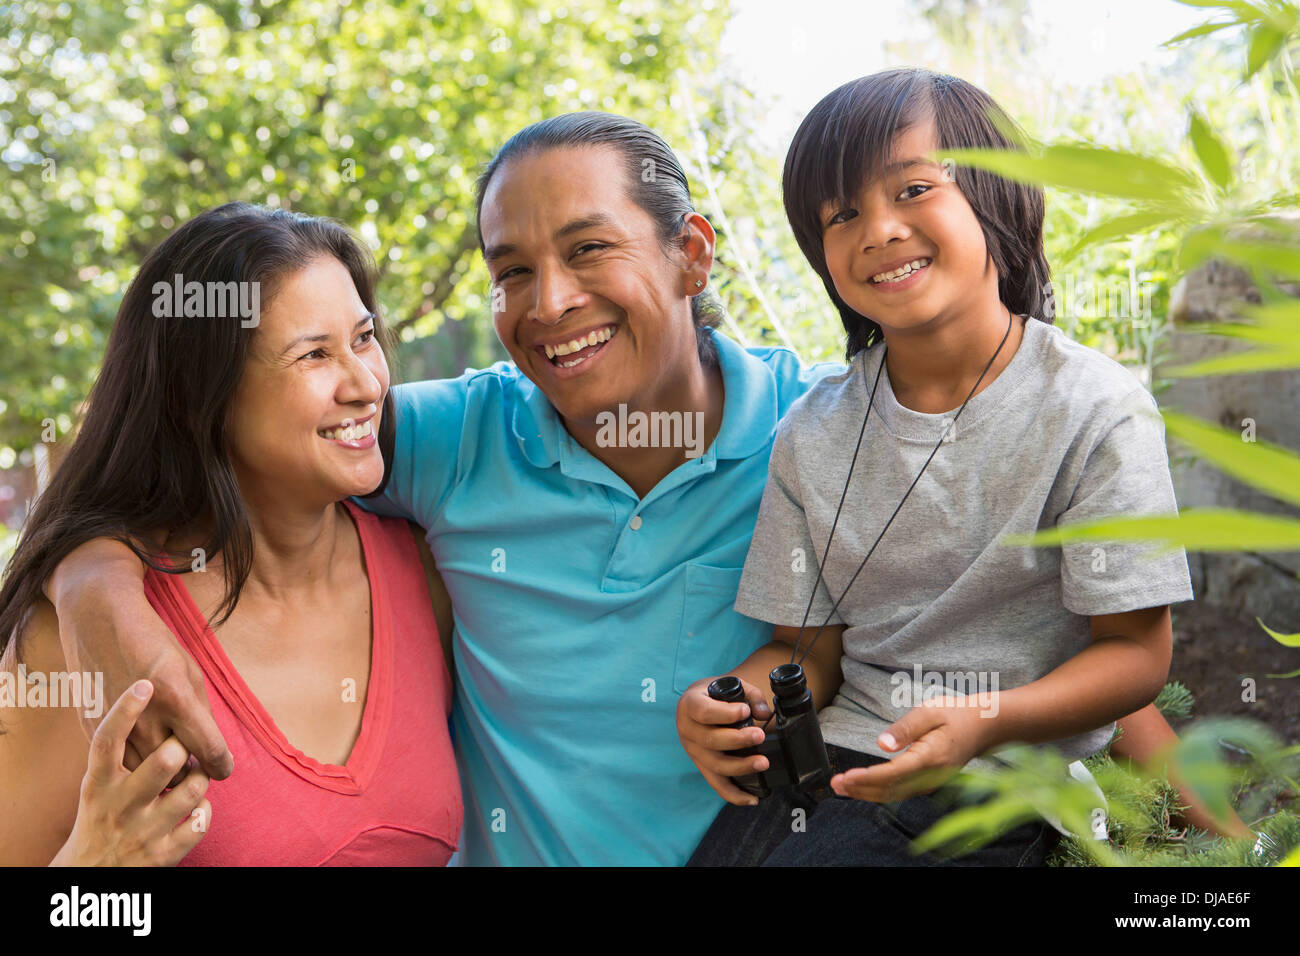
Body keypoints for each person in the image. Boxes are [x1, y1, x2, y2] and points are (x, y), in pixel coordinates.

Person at [38, 114, 1214, 867]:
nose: (548, 301)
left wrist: (1226, 846)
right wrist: (98, 587)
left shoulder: (831, 432)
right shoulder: (448, 437)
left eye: (589, 250)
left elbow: (1050, 633)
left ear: (691, 254)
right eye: (512, 271)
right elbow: (211, 436)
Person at [678, 68, 1219, 866]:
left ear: (998, 198)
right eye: (842, 213)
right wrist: (735, 702)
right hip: (832, 769)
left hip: (1004, 779)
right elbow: (808, 655)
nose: (880, 230)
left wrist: (985, 719)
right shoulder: (812, 432)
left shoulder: (1095, 410)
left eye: (914, 189)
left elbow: (1136, 656)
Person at [0, 203, 461, 865]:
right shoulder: (89, 640)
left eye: (363, 338)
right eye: (313, 356)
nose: (366, 383)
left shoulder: (426, 574)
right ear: (201, 398)